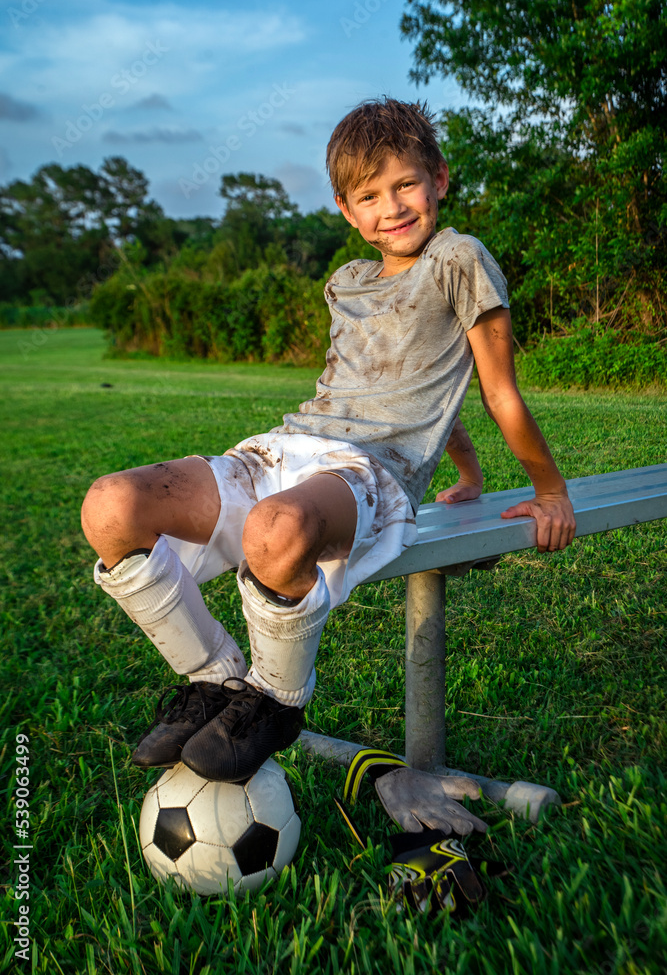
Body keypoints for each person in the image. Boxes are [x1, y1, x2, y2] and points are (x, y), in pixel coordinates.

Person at [81, 98, 575, 791]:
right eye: (369, 196)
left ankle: (275, 702)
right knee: (110, 506)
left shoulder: (459, 258)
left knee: (275, 530)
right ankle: (216, 682)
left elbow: (494, 392)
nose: (392, 207)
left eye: (405, 184)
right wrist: (467, 470)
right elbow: (403, 386)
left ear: (438, 177)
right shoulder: (346, 282)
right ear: (346, 210)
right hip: (286, 447)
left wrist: (549, 491)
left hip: (368, 473)